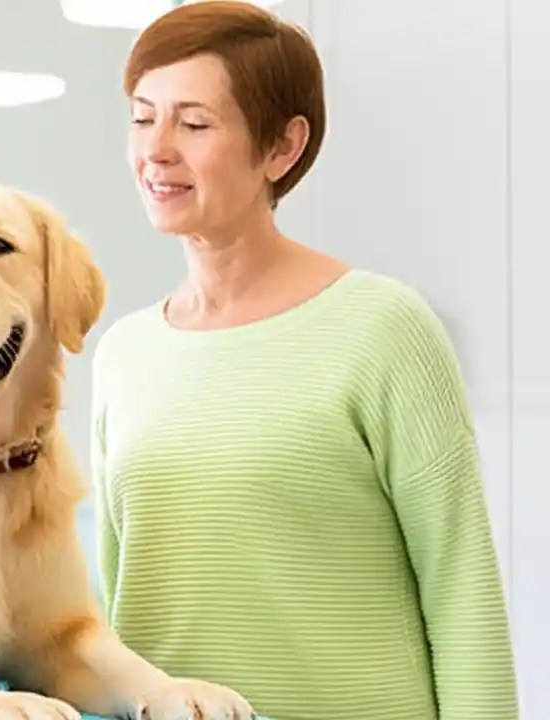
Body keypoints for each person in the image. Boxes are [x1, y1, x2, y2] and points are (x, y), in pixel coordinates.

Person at [90, 2, 519, 719]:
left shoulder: (383, 329)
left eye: (194, 124)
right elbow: (111, 608)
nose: (156, 149)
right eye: (142, 117)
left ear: (282, 148)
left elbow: (461, 588)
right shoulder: (124, 354)